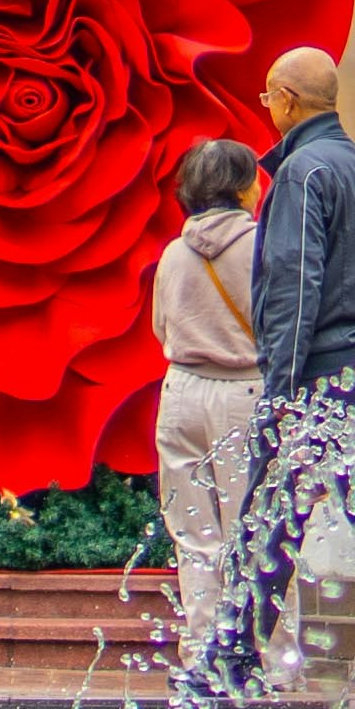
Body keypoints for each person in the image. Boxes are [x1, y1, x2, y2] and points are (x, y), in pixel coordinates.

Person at [224, 46, 355, 702]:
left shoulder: (303, 171)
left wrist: (280, 390)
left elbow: (294, 283)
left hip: (321, 368)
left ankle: (231, 658)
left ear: (287, 100)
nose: (266, 106)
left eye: (267, 95)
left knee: (270, 512)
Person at [147, 139, 264, 589]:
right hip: (244, 393)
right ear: (241, 188)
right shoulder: (263, 246)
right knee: (255, 538)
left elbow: (161, 328)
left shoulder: (174, 252)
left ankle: (201, 635)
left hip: (181, 392)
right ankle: (263, 636)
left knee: (193, 540)